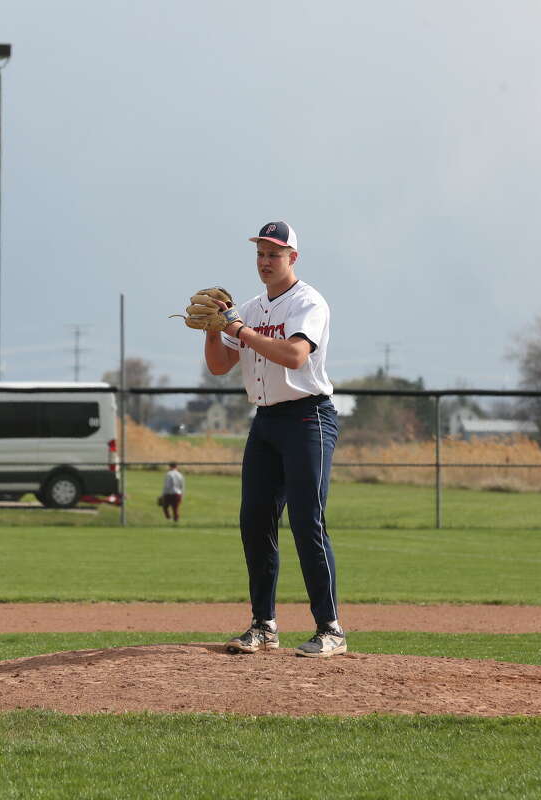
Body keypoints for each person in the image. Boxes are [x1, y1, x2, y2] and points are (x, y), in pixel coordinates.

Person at [201, 221, 344, 658]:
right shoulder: (250, 307)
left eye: (274, 254)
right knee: (255, 522)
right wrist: (213, 329)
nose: (265, 261)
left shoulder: (308, 303)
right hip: (265, 422)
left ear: (292, 258)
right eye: (260, 253)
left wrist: (239, 330)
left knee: (306, 521)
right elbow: (219, 365)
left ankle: (330, 629)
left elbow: (296, 354)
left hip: (307, 418)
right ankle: (264, 625)